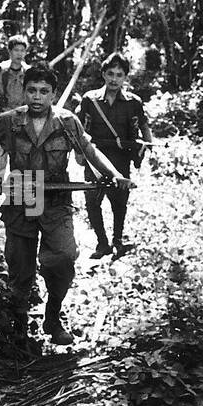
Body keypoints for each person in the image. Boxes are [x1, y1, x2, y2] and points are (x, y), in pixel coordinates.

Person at [0, 64, 132, 346]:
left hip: (56, 202)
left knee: (62, 257)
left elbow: (90, 151)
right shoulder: (9, 121)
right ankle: (19, 325)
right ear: (24, 92)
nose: (37, 97)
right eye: (32, 91)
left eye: (44, 92)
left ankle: (53, 316)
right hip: (21, 200)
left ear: (53, 94)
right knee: (20, 268)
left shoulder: (68, 122)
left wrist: (115, 174)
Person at [76, 53, 153, 258]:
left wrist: (148, 146)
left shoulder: (132, 102)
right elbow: (79, 128)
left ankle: (117, 239)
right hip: (95, 158)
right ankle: (102, 243)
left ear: (125, 77)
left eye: (119, 74)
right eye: (110, 73)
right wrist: (79, 153)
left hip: (121, 158)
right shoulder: (90, 100)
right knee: (92, 201)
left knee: (119, 200)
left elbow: (144, 126)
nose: (114, 79)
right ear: (103, 74)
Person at [0, 35, 29, 114]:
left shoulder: (29, 72)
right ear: (10, 51)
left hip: (23, 114)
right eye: (16, 50)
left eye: (22, 50)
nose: (19, 54)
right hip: (3, 114)